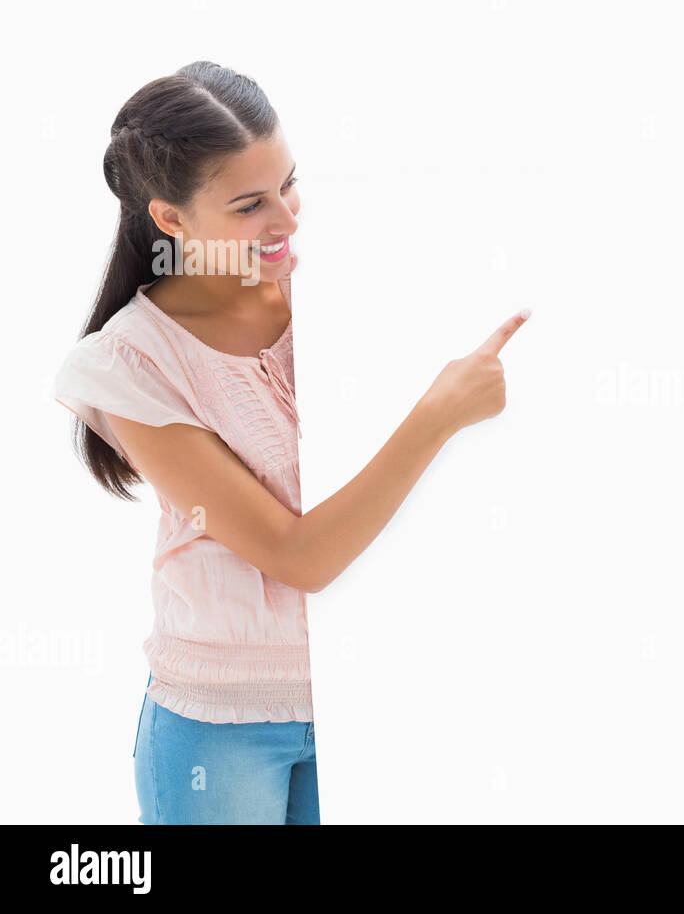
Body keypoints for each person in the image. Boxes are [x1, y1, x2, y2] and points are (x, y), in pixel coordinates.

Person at [53, 61, 529, 822]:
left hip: (366, 691)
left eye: (288, 184)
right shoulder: (129, 364)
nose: (286, 218)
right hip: (220, 728)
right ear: (171, 220)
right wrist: (438, 415)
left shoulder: (336, 293)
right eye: (250, 204)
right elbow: (297, 556)